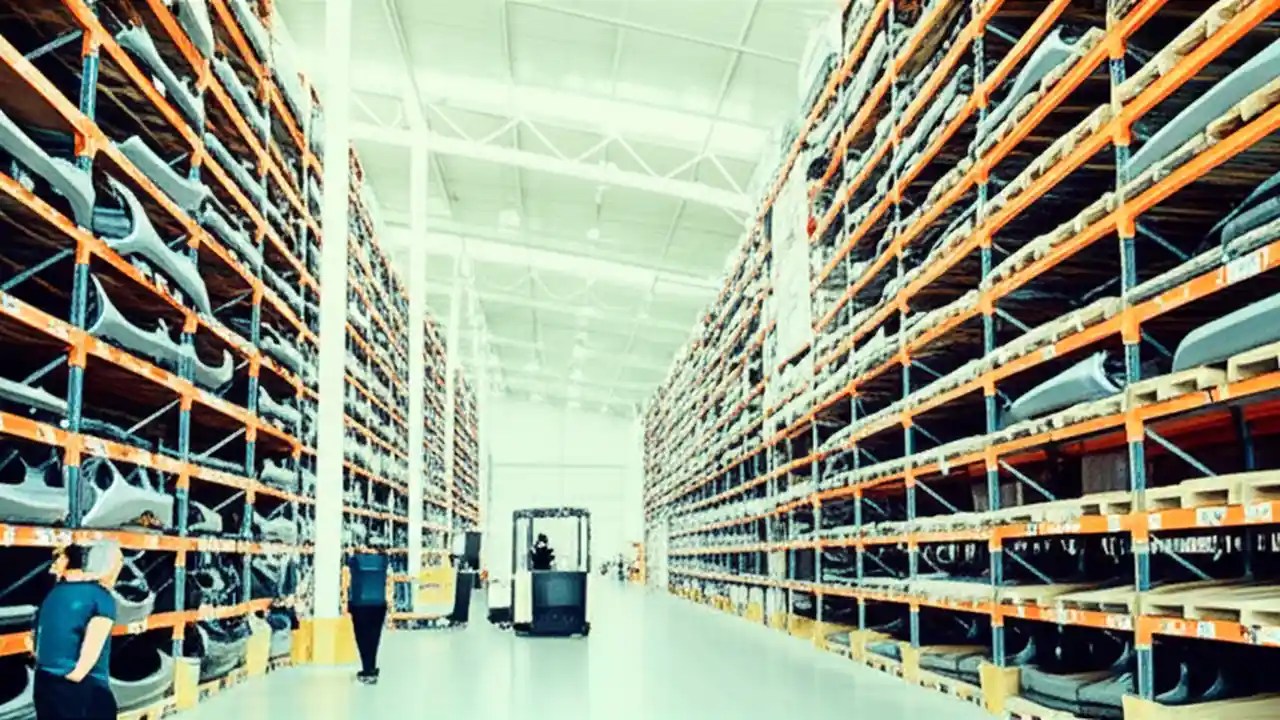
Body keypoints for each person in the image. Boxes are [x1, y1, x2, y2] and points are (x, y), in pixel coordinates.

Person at [34, 541, 124, 720]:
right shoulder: (101, 598)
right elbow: (93, 643)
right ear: (110, 564)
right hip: (81, 689)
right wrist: (76, 674)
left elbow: (35, 640)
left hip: (44, 682)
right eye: (120, 561)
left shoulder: (54, 593)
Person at [346, 546, 389, 685]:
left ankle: (367, 669)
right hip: (378, 604)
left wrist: (353, 552)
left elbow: (348, 560)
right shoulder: (383, 561)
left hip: (359, 604)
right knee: (374, 639)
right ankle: (371, 668)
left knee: (362, 639)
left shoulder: (356, 561)